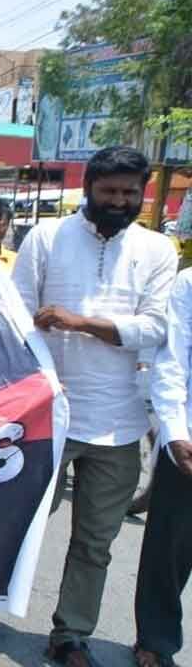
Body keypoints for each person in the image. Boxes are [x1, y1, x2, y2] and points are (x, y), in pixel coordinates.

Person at [12, 146, 177, 667]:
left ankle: (72, 635)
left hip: (119, 422)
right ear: (89, 187)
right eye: (110, 191)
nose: (120, 200)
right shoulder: (45, 237)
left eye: (131, 192)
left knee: (94, 543)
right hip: (47, 415)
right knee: (10, 525)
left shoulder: (157, 249)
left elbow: (155, 329)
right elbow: (15, 317)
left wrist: (80, 323)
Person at [140, 267, 192, 667]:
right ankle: (156, 641)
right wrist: (175, 431)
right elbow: (173, 358)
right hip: (190, 437)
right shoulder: (190, 283)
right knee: (171, 546)